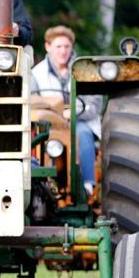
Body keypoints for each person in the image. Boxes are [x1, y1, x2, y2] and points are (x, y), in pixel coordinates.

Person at [31, 25, 101, 196]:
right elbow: (32, 102)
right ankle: (40, 182)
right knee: (39, 138)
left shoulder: (85, 72)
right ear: (48, 47)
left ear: (72, 48)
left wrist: (75, 113)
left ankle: (87, 184)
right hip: (51, 124)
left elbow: (94, 103)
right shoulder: (36, 73)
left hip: (80, 120)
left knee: (82, 133)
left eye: (67, 47)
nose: (63, 51)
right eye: (58, 47)